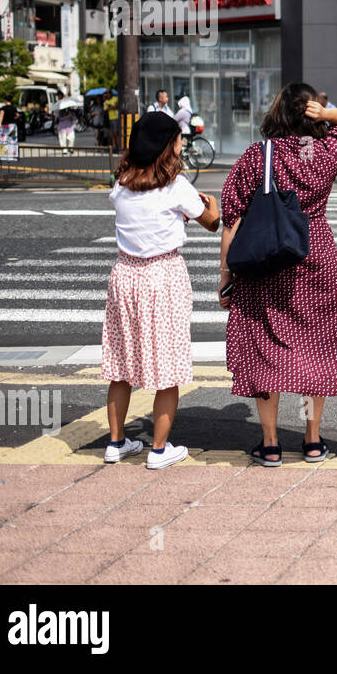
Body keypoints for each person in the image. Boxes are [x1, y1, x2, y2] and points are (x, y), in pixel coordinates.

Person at [218, 83, 337, 467]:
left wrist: (225, 273)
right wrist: (327, 114)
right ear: (310, 113)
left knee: (265, 351)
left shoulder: (257, 157)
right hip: (316, 255)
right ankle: (312, 441)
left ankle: (271, 443)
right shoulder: (324, 152)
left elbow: (232, 218)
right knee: (315, 351)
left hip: (266, 263)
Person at [101, 112, 220, 470]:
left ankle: (116, 442)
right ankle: (158, 449)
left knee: (121, 364)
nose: (181, 144)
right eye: (178, 139)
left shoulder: (120, 182)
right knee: (166, 365)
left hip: (124, 275)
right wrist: (210, 202)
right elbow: (212, 222)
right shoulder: (176, 186)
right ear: (168, 145)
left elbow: (142, 215)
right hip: (162, 277)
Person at [0, 96, 19, 163]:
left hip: (5, 125)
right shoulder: (14, 108)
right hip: (13, 125)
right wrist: (14, 118)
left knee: (2, 140)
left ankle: (2, 155)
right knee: (12, 140)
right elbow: (17, 115)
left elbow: (1, 115)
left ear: (5, 100)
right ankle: (12, 156)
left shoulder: (4, 108)